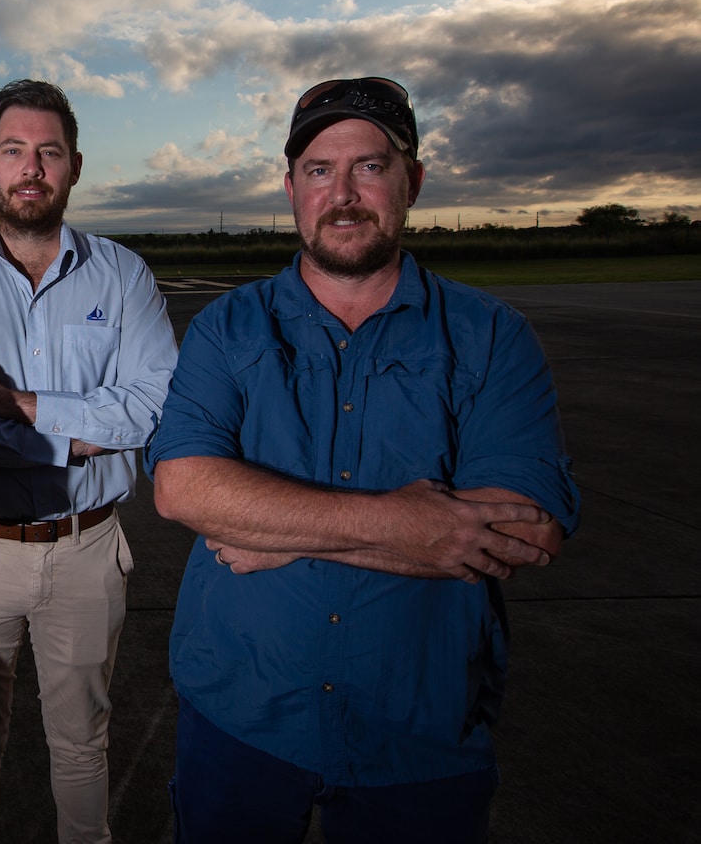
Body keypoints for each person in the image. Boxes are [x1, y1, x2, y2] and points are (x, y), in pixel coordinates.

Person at [145, 76, 581, 843]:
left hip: (422, 730)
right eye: (319, 170)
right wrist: (412, 527)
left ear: (412, 181)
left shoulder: (491, 336)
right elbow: (183, 487)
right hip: (243, 717)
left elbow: (521, 528)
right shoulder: (228, 327)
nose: (342, 193)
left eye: (369, 167)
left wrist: (276, 528)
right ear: (291, 189)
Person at [0, 79, 177, 843]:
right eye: (15, 151)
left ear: (75, 166)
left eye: (48, 152)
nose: (32, 168)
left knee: (84, 745)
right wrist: (88, 422)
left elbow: (152, 409)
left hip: (88, 545)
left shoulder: (123, 275)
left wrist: (23, 405)